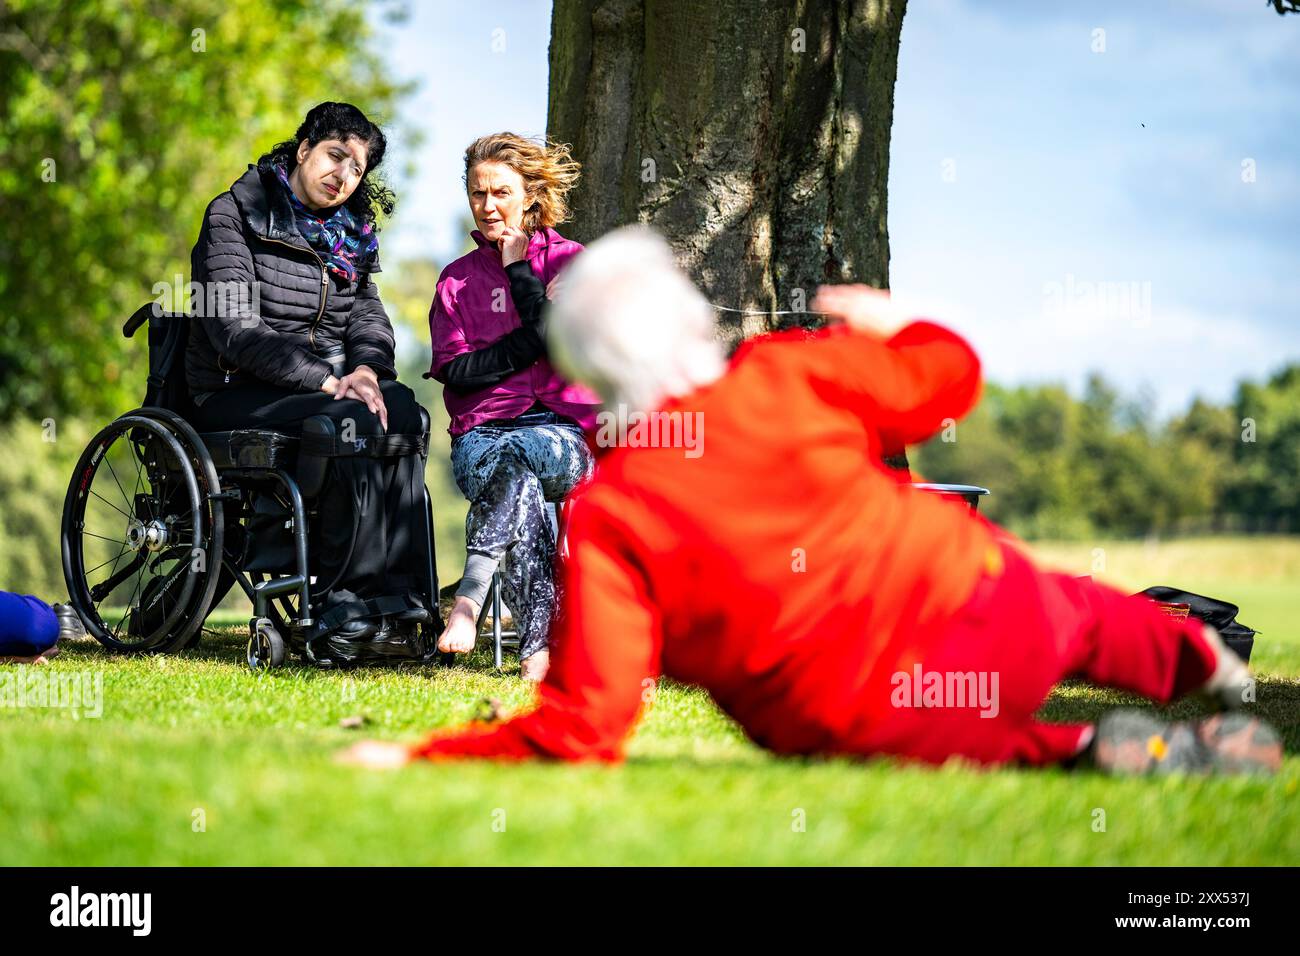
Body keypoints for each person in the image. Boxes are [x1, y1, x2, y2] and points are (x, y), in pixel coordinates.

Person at [343, 227, 1279, 776]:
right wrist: (895, 324)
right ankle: (1201, 664)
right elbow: (949, 377)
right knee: (1075, 611)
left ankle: (1087, 751)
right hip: (981, 605)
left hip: (845, 714)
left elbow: (583, 723)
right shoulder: (789, 373)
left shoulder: (612, 509)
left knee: (971, 739)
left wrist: (419, 759)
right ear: (695, 317)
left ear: (585, 369)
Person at [185, 101, 432, 646]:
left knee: (402, 408)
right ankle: (342, 603)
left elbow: (369, 317)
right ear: (303, 151)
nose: (343, 176)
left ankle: (399, 598)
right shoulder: (232, 214)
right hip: (235, 391)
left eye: (357, 169)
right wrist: (327, 379)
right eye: (334, 156)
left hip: (330, 389)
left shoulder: (351, 238)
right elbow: (234, 330)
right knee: (349, 419)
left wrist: (366, 369)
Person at [427, 133, 601, 681]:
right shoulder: (455, 279)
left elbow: (566, 341)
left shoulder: (572, 263)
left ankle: (470, 596)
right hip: (480, 438)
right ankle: (536, 652)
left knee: (525, 456)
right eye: (478, 194)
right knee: (517, 475)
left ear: (530, 195)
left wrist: (519, 270)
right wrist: (533, 337)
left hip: (563, 434)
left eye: (501, 191)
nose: (489, 205)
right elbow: (456, 371)